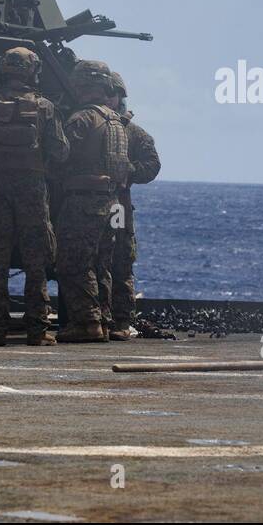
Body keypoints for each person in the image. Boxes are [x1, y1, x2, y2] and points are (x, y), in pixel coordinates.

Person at [0, 47, 68, 347]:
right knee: (36, 260)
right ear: (32, 71)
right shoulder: (45, 107)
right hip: (33, 189)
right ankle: (38, 330)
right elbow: (61, 152)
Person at [55, 60, 130, 343]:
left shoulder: (82, 118)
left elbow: (61, 154)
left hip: (83, 200)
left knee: (73, 262)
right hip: (110, 200)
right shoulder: (117, 122)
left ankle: (87, 322)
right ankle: (105, 319)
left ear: (81, 84)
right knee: (101, 263)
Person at [105, 72, 160, 337]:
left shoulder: (134, 134)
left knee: (120, 260)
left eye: (109, 94)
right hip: (83, 204)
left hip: (118, 205)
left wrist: (129, 171)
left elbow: (151, 166)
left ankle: (120, 320)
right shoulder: (86, 124)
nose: (105, 99)